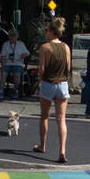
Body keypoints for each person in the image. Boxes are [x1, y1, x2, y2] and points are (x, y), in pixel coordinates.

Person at [34, 16, 71, 162]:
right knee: (61, 119)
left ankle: (43, 145)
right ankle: (62, 150)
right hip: (62, 84)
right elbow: (68, 67)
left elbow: (41, 69)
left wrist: (39, 81)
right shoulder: (66, 47)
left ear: (51, 31)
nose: (45, 32)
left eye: (46, 30)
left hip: (48, 83)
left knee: (44, 116)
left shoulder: (45, 47)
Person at [0, 29, 28, 99]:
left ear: (17, 36)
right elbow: (2, 56)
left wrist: (23, 55)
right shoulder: (6, 44)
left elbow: (27, 53)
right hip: (7, 63)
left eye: (14, 35)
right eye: (10, 35)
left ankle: (15, 91)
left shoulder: (21, 44)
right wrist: (2, 66)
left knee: (17, 75)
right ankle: (1, 91)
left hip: (18, 63)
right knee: (3, 74)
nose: (12, 37)